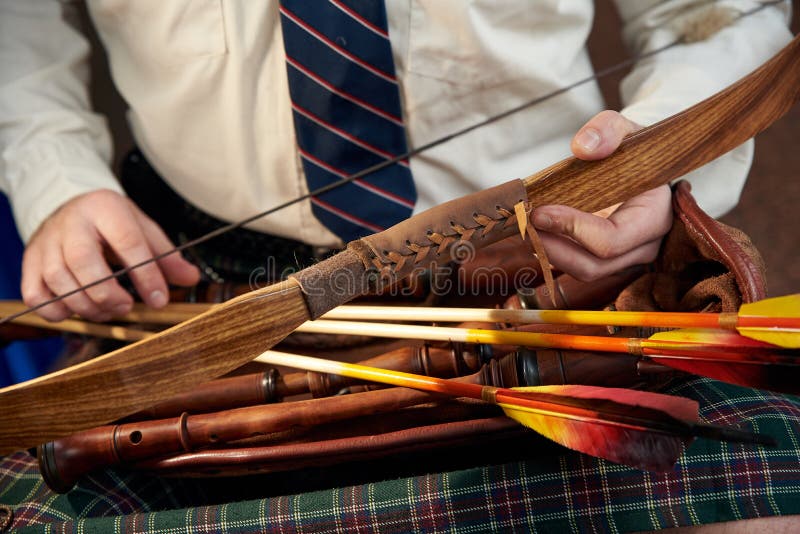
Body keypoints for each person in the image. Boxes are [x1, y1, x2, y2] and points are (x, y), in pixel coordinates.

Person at [0, 0, 798, 532]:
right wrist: (56, 172)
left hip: (554, 261)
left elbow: (716, 15)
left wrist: (653, 157)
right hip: (208, 279)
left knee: (767, 495)